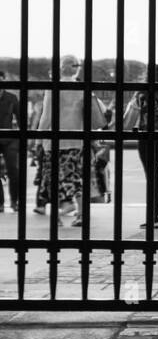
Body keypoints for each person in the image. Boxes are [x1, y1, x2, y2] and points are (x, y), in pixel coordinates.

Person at [37, 55, 106, 226]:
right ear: (77, 69)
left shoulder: (53, 88)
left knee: (54, 179)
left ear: (61, 67)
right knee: (78, 179)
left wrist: (38, 139)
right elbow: (99, 112)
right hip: (78, 140)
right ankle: (82, 214)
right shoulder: (83, 88)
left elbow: (46, 117)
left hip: (55, 140)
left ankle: (57, 217)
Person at [122, 64, 158, 229]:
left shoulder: (141, 95)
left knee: (152, 180)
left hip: (148, 140)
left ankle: (153, 218)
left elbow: (128, 123)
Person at [0, 70, 20, 213]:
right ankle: (0, 203)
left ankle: (14, 201)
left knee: (14, 171)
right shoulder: (11, 97)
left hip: (9, 138)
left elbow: (20, 119)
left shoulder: (12, 98)